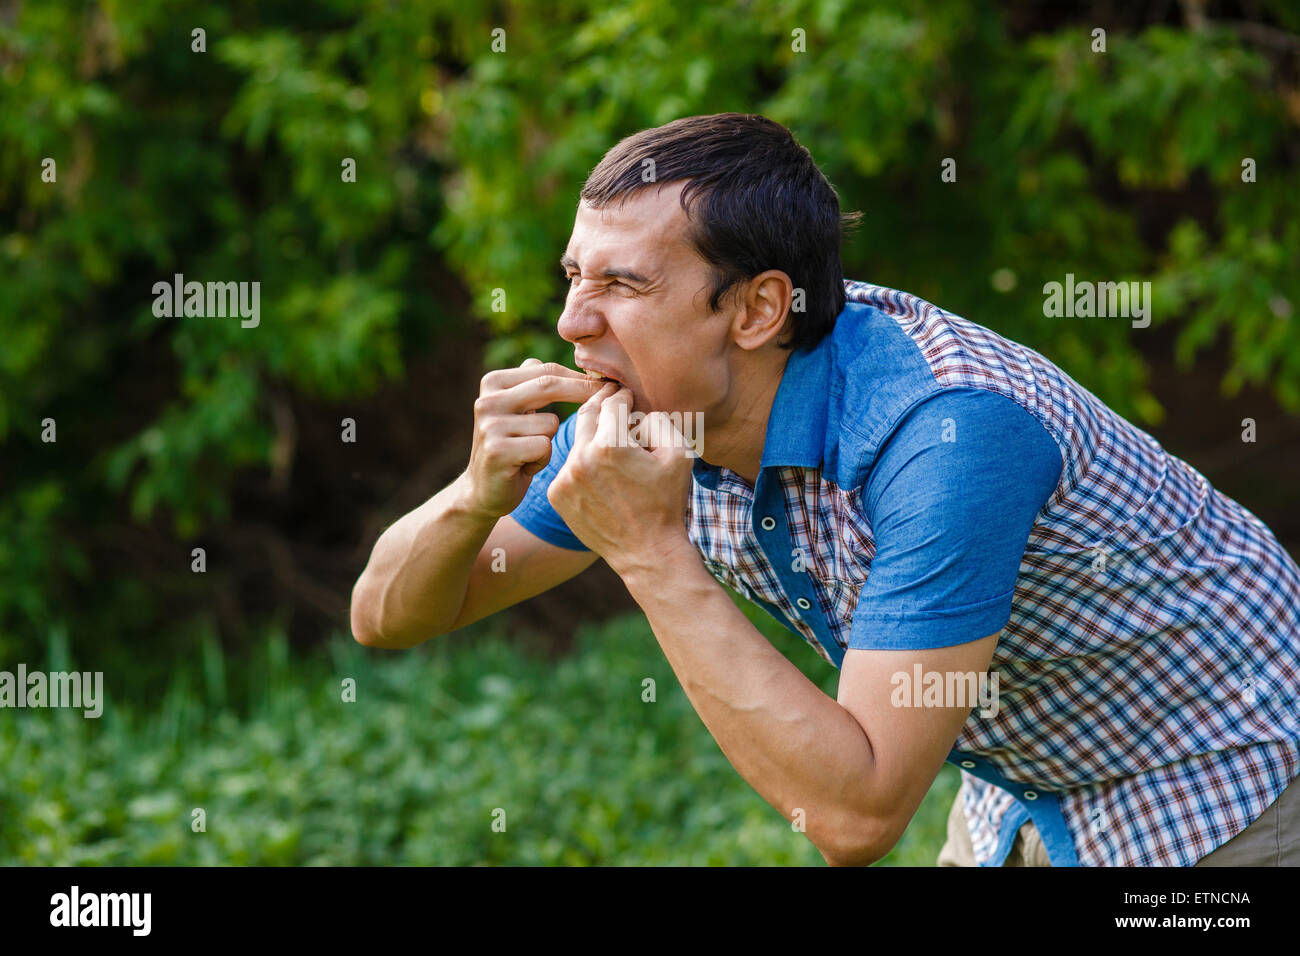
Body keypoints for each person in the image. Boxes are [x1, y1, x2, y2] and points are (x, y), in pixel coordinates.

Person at [350, 113, 1300, 866]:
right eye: (572, 276)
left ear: (759, 309)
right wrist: (475, 495)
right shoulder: (649, 412)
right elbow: (387, 617)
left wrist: (648, 552)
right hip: (1020, 782)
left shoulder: (948, 440)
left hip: (1224, 769)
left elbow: (858, 816)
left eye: (623, 287)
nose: (569, 322)